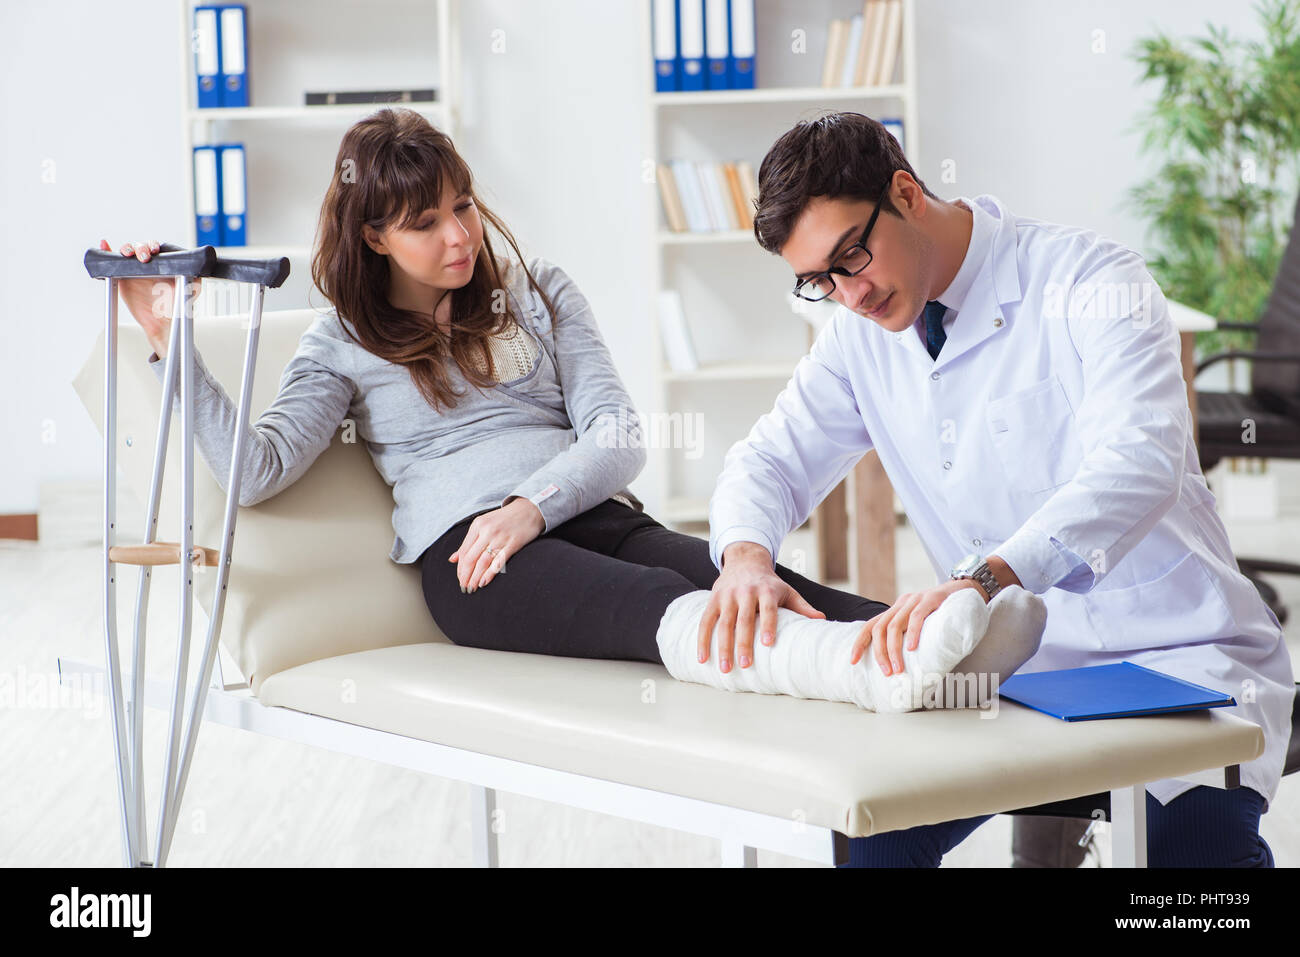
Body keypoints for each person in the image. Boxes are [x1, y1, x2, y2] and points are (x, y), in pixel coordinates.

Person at [100, 107, 1047, 720]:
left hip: (585, 515)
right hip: (474, 563)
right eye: (425, 223)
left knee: (737, 574)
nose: (461, 234)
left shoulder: (541, 290)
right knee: (662, 608)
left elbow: (618, 438)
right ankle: (874, 670)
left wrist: (532, 503)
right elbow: (258, 468)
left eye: (462, 206)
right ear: (373, 235)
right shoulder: (344, 341)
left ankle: (945, 637)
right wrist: (165, 338)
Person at [703, 110, 1295, 867]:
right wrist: (747, 558)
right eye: (818, 281)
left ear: (907, 193)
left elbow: (1139, 458)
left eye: (851, 257)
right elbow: (769, 460)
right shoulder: (859, 335)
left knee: (1190, 880)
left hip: (1171, 657)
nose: (848, 295)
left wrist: (985, 577)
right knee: (868, 840)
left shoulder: (1091, 280)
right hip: (1008, 671)